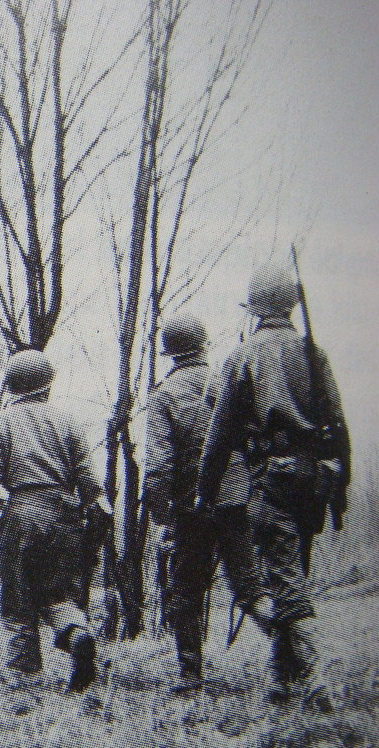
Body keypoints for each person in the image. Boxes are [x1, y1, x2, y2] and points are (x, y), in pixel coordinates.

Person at [197, 262, 349, 709]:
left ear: (256, 308)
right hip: (316, 475)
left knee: (282, 577)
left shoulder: (241, 357)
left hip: (273, 476)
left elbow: (219, 434)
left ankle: (316, 678)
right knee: (291, 571)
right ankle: (281, 682)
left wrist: (206, 489)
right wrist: (340, 486)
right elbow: (337, 425)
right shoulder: (313, 352)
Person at [0, 350, 108, 694]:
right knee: (58, 596)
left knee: (18, 600)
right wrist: (92, 528)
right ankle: (77, 635)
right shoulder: (69, 423)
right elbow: (91, 484)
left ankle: (25, 679)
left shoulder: (0, 425)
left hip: (22, 516)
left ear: (11, 385)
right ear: (48, 382)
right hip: (65, 515)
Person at [143, 313, 268, 690]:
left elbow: (159, 462)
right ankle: (289, 650)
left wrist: (160, 510)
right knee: (250, 585)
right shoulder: (226, 380)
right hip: (236, 498)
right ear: (203, 345)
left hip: (191, 506)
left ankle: (190, 674)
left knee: (186, 589)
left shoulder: (164, 395)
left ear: (170, 353)